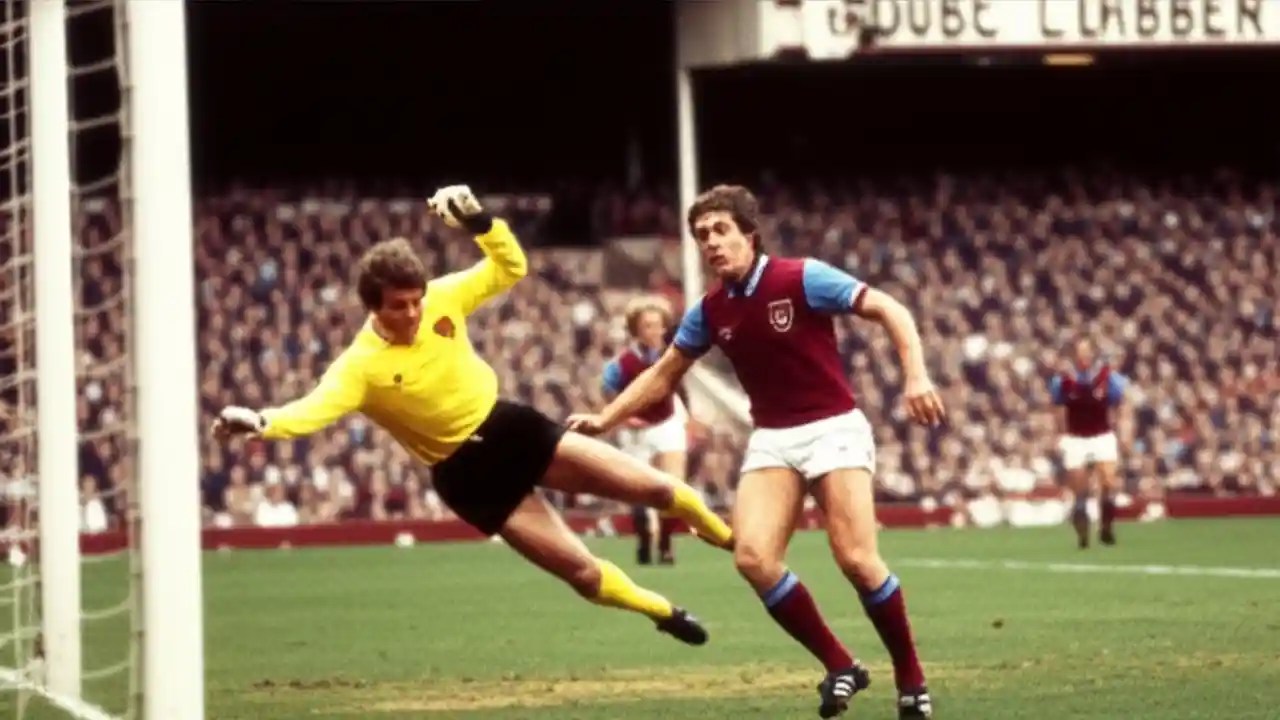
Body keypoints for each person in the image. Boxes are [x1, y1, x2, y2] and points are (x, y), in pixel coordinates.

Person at [212, 185, 734, 647]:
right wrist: (261, 422)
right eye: (399, 306)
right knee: (580, 573)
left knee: (659, 490)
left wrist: (480, 222)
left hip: (511, 431)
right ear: (373, 307)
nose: (413, 312)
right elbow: (310, 410)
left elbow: (510, 267)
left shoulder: (443, 297)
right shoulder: (359, 367)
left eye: (416, 301)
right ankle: (663, 612)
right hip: (467, 478)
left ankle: (735, 543)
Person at [569, 184, 941, 719]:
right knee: (753, 559)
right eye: (702, 235)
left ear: (749, 234)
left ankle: (911, 679)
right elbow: (663, 374)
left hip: (833, 427)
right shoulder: (709, 310)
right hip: (773, 438)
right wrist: (605, 419)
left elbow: (889, 308)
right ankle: (841, 666)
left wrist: (916, 375)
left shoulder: (802, 277)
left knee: (857, 560)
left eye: (721, 230)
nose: (712, 243)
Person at [603, 295, 690, 565]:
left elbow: (680, 386)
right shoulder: (623, 363)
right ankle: (644, 539)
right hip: (636, 432)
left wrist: (690, 415)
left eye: (658, 325)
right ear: (636, 330)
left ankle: (665, 544)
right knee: (639, 490)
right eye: (647, 326)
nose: (654, 331)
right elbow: (607, 391)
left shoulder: (671, 356)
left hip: (667, 423)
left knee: (673, 486)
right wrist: (624, 417)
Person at [1049, 337, 1128, 548]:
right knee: (1080, 492)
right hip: (1076, 438)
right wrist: (1058, 435)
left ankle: (1106, 528)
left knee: (1108, 483)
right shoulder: (1062, 381)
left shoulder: (1107, 377)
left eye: (1086, 351)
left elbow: (1121, 404)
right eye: (1079, 352)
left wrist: (1123, 430)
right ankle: (1083, 538)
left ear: (1093, 353)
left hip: (1101, 435)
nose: (1083, 356)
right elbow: (1057, 409)